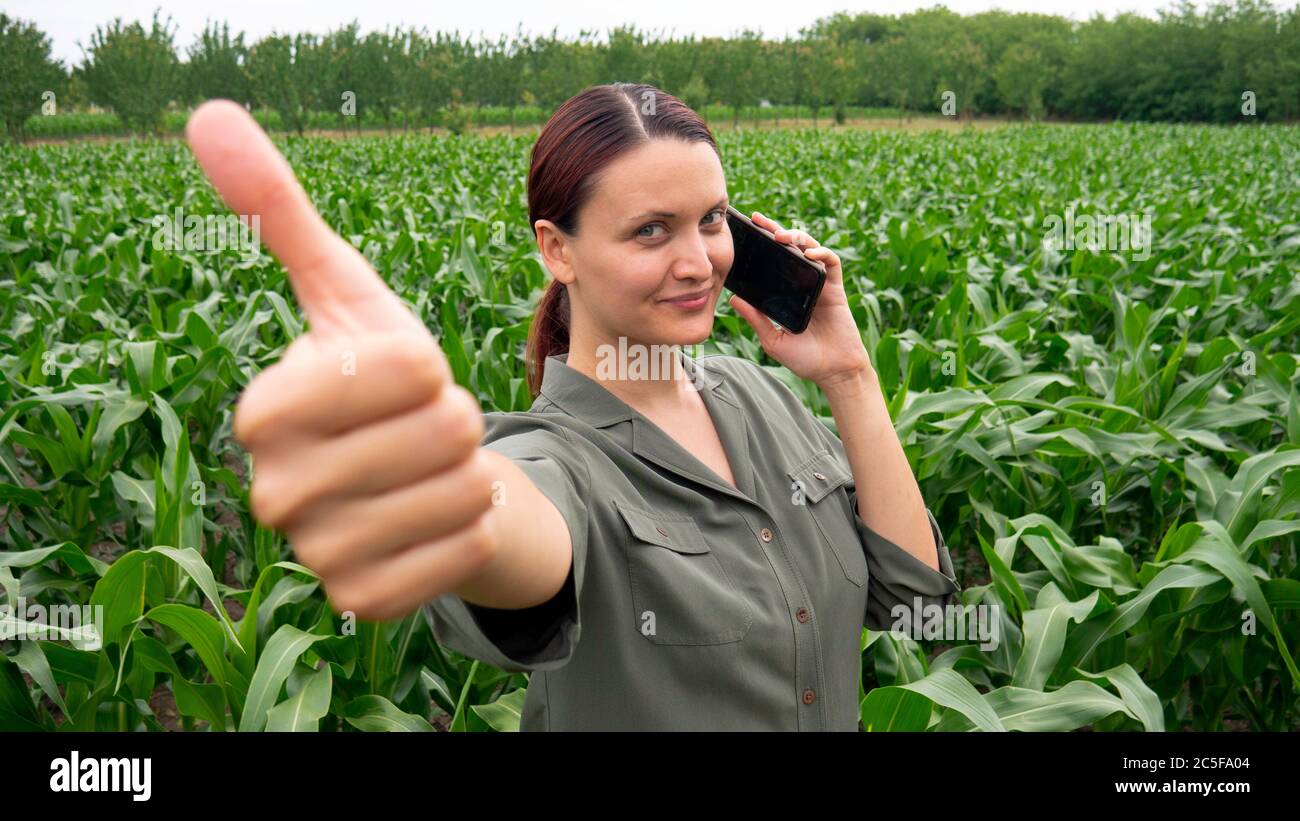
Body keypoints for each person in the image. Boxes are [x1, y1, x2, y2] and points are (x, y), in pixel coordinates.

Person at [185, 82, 960, 732]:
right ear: (557, 249)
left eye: (712, 220)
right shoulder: (557, 457)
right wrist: (442, 495)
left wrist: (850, 374)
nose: (698, 263)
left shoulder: (764, 398)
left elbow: (912, 599)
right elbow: (513, 527)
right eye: (650, 230)